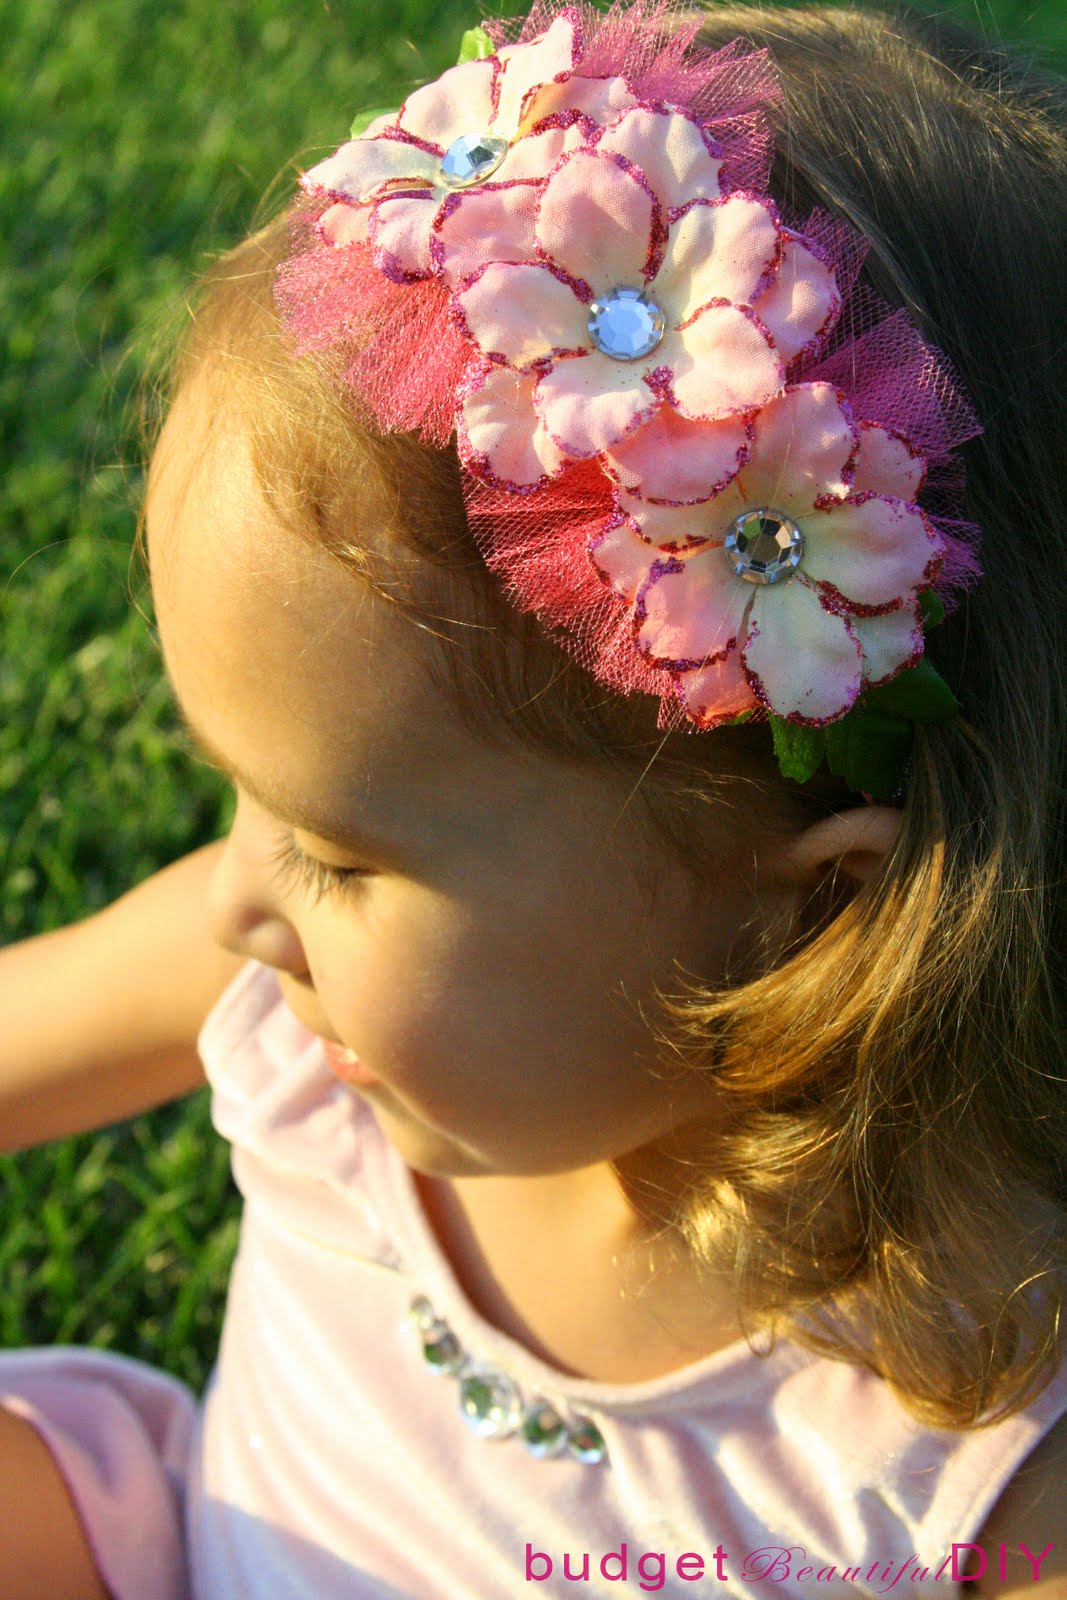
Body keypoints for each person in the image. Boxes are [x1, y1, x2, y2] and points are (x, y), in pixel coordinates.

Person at [1, 1, 1065, 1595]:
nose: (235, 902)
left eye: (345, 859)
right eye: (253, 805)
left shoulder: (976, 1435)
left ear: (803, 918)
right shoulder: (306, 1009)